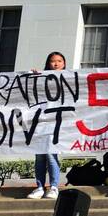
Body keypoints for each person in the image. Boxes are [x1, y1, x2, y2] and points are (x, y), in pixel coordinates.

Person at [27, 51, 67, 199]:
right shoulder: (41, 78)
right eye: (52, 61)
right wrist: (33, 77)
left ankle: (54, 186)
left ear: (64, 64)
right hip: (40, 122)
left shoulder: (68, 78)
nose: (56, 64)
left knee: (51, 154)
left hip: (57, 122)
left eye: (59, 61)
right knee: (39, 156)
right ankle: (39, 187)